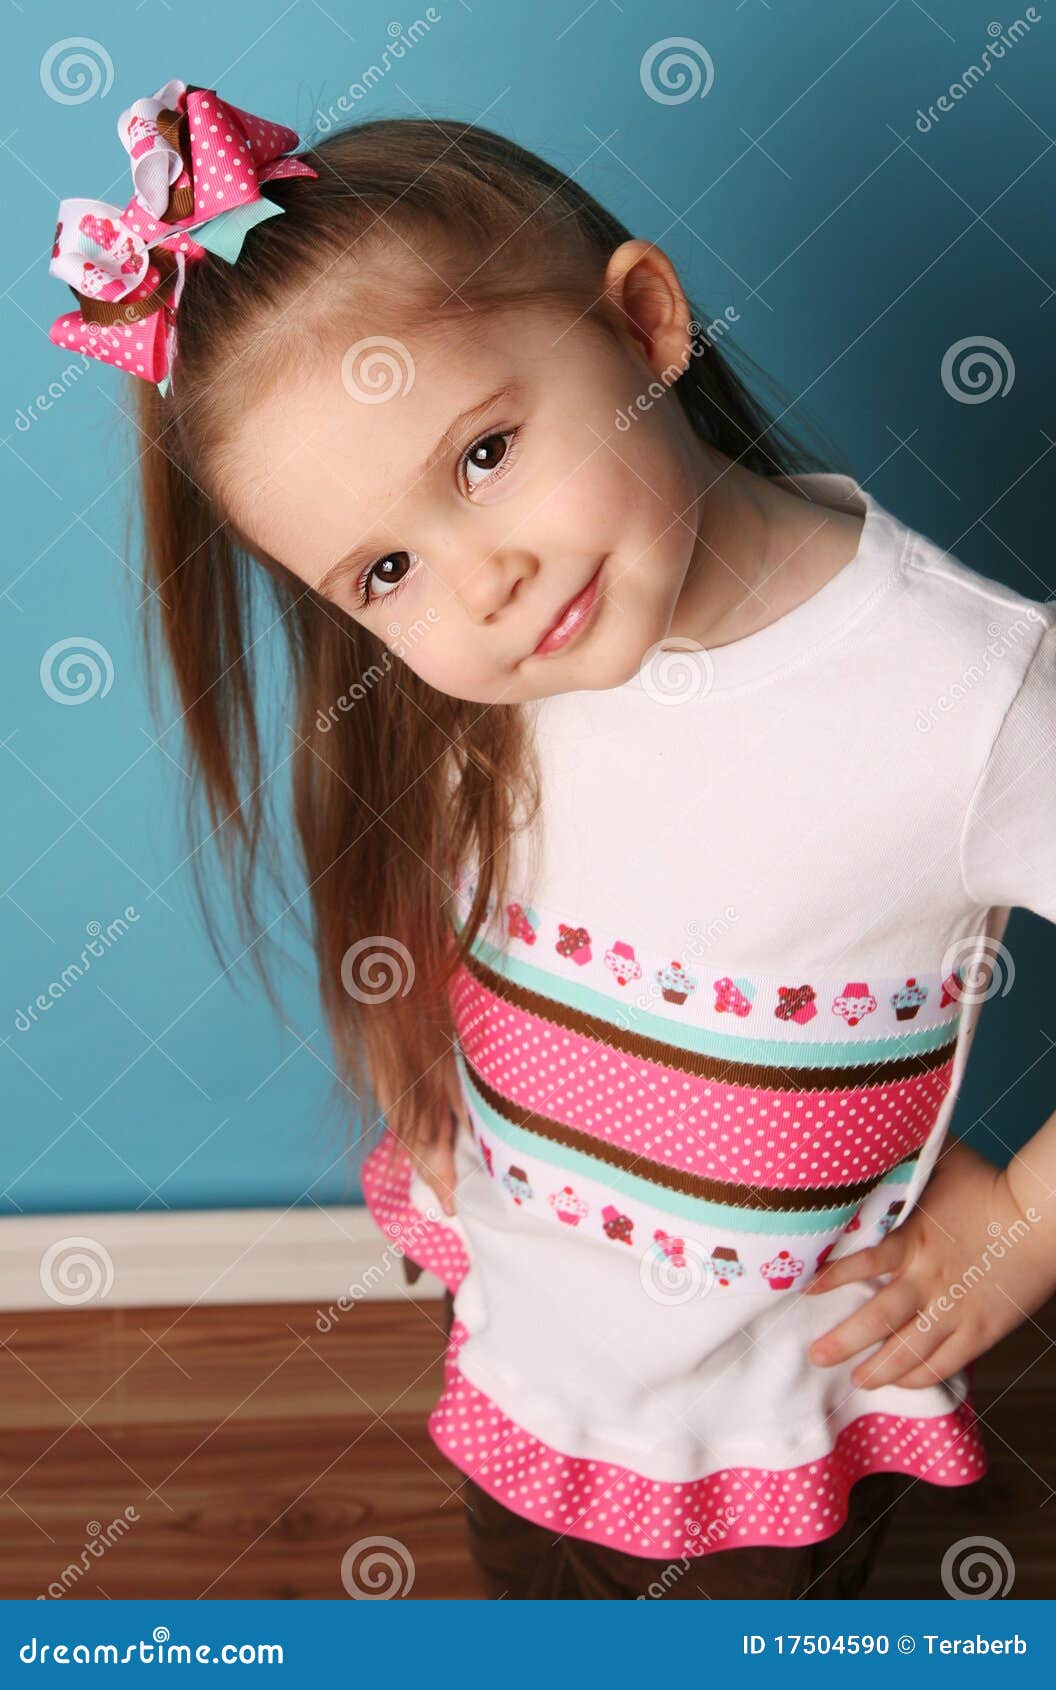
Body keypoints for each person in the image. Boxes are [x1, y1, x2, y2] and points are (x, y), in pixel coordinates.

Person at [47, 76, 1056, 1601]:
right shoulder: (491, 683)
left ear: (644, 323)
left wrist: (1033, 1226)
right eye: (386, 568)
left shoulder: (962, 692)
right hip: (519, 1349)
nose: (486, 580)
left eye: (484, 454)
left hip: (760, 1432)